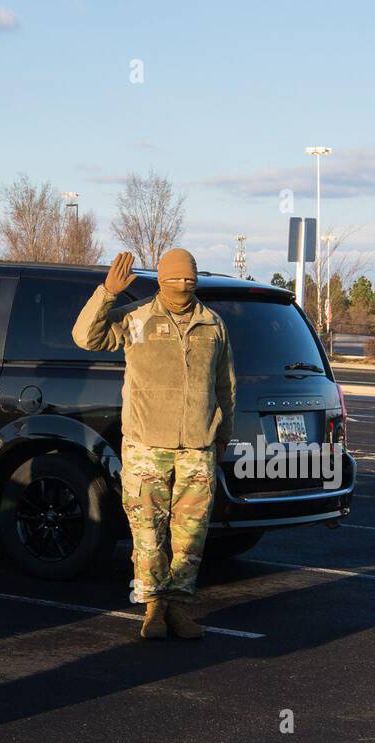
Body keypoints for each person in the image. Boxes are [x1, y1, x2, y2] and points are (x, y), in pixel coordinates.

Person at [71, 249, 235, 639]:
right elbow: (86, 337)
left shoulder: (212, 324)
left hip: (197, 448)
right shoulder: (137, 318)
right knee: (148, 533)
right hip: (146, 447)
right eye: (176, 278)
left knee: (190, 536)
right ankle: (154, 608)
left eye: (189, 278)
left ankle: (179, 607)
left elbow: (225, 387)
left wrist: (221, 437)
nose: (184, 284)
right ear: (161, 280)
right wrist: (107, 294)